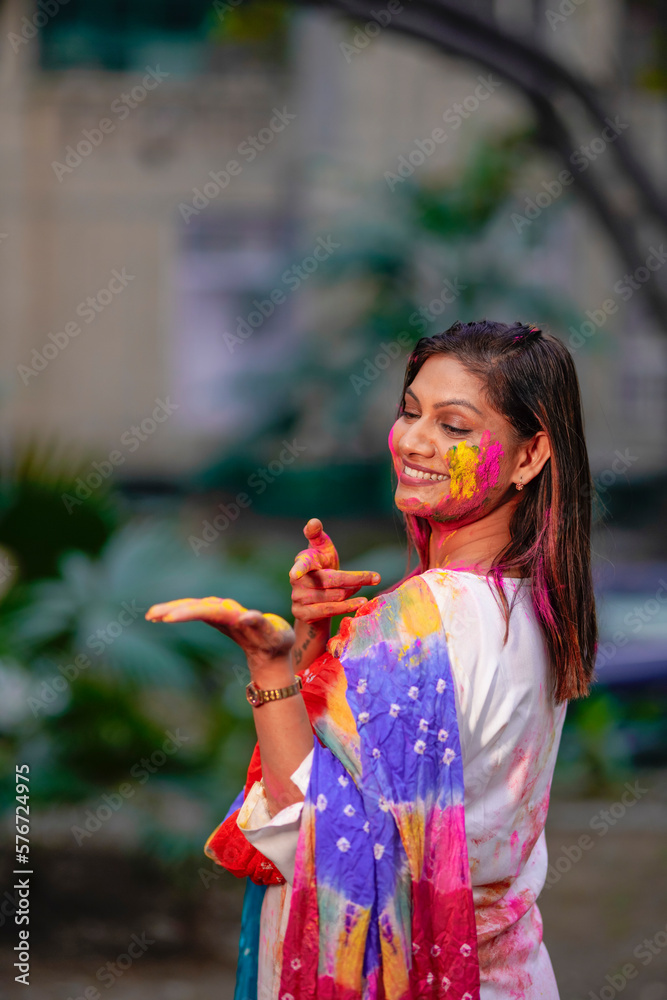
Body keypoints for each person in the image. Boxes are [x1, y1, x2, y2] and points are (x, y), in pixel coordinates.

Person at [146, 319, 597, 1000]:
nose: (414, 441)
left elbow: (310, 836)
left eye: (454, 426)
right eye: (409, 411)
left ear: (531, 456)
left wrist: (271, 669)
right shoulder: (537, 605)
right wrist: (317, 648)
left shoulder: (416, 623)